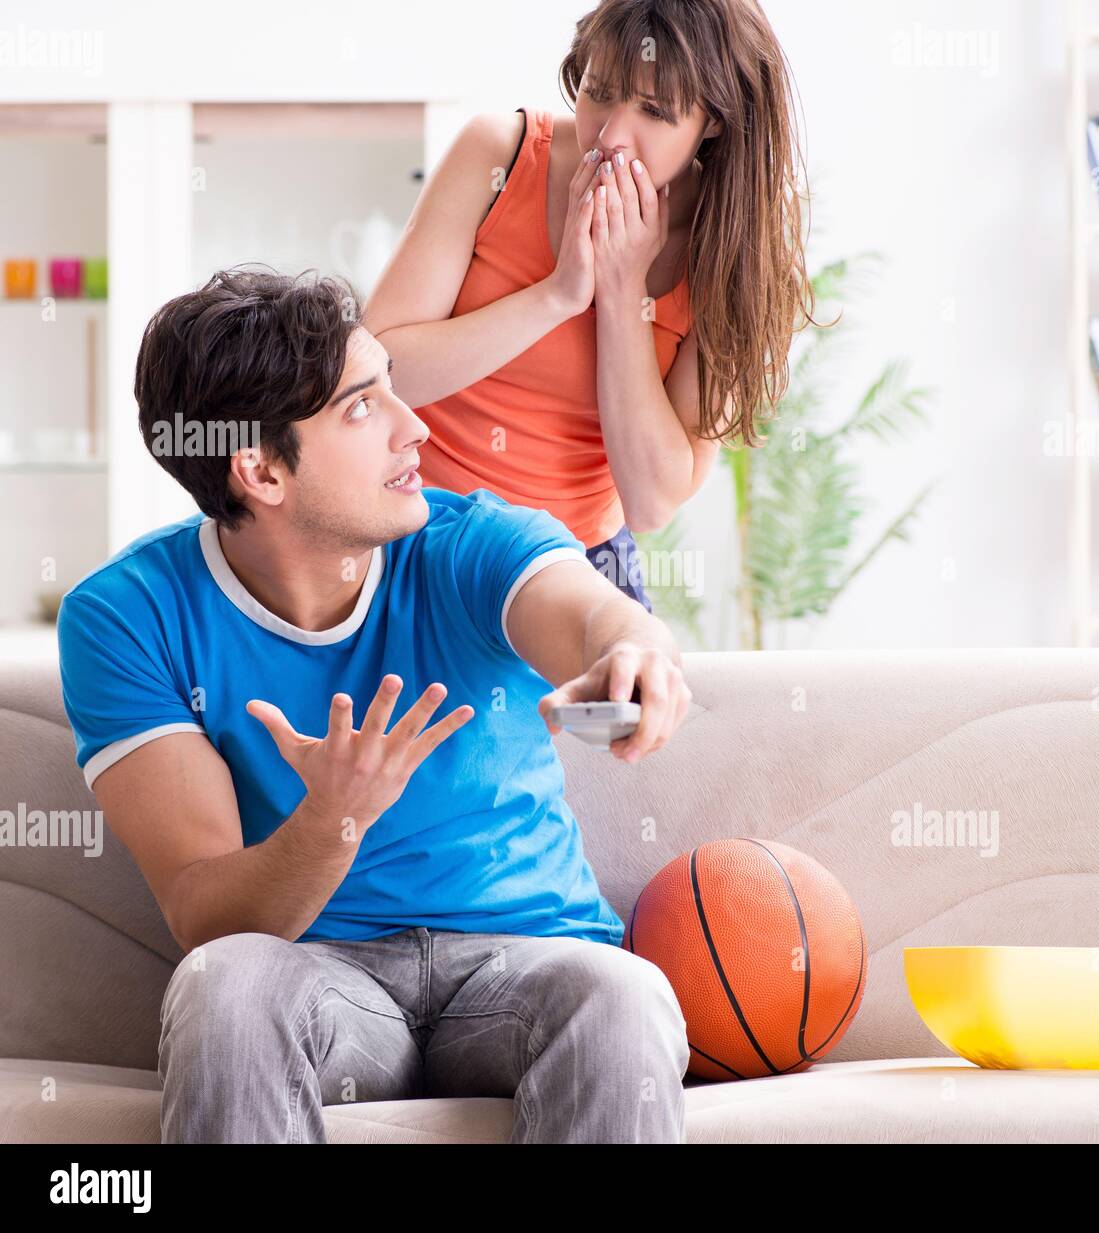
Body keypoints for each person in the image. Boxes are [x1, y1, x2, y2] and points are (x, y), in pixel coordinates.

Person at [56, 267, 693, 1144]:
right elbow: (206, 914)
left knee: (624, 996)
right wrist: (333, 819)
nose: (414, 425)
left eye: (390, 386)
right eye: (362, 408)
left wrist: (633, 651)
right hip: (322, 978)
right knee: (224, 986)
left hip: (529, 962)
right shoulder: (127, 616)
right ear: (260, 470)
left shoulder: (470, 541)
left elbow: (589, 615)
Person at [365, 0, 815, 611]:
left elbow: (651, 502)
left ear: (714, 120)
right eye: (598, 93)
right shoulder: (500, 154)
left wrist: (624, 291)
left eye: (654, 112)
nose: (609, 137)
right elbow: (380, 379)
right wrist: (559, 295)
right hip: (415, 530)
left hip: (575, 563)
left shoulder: (733, 252)